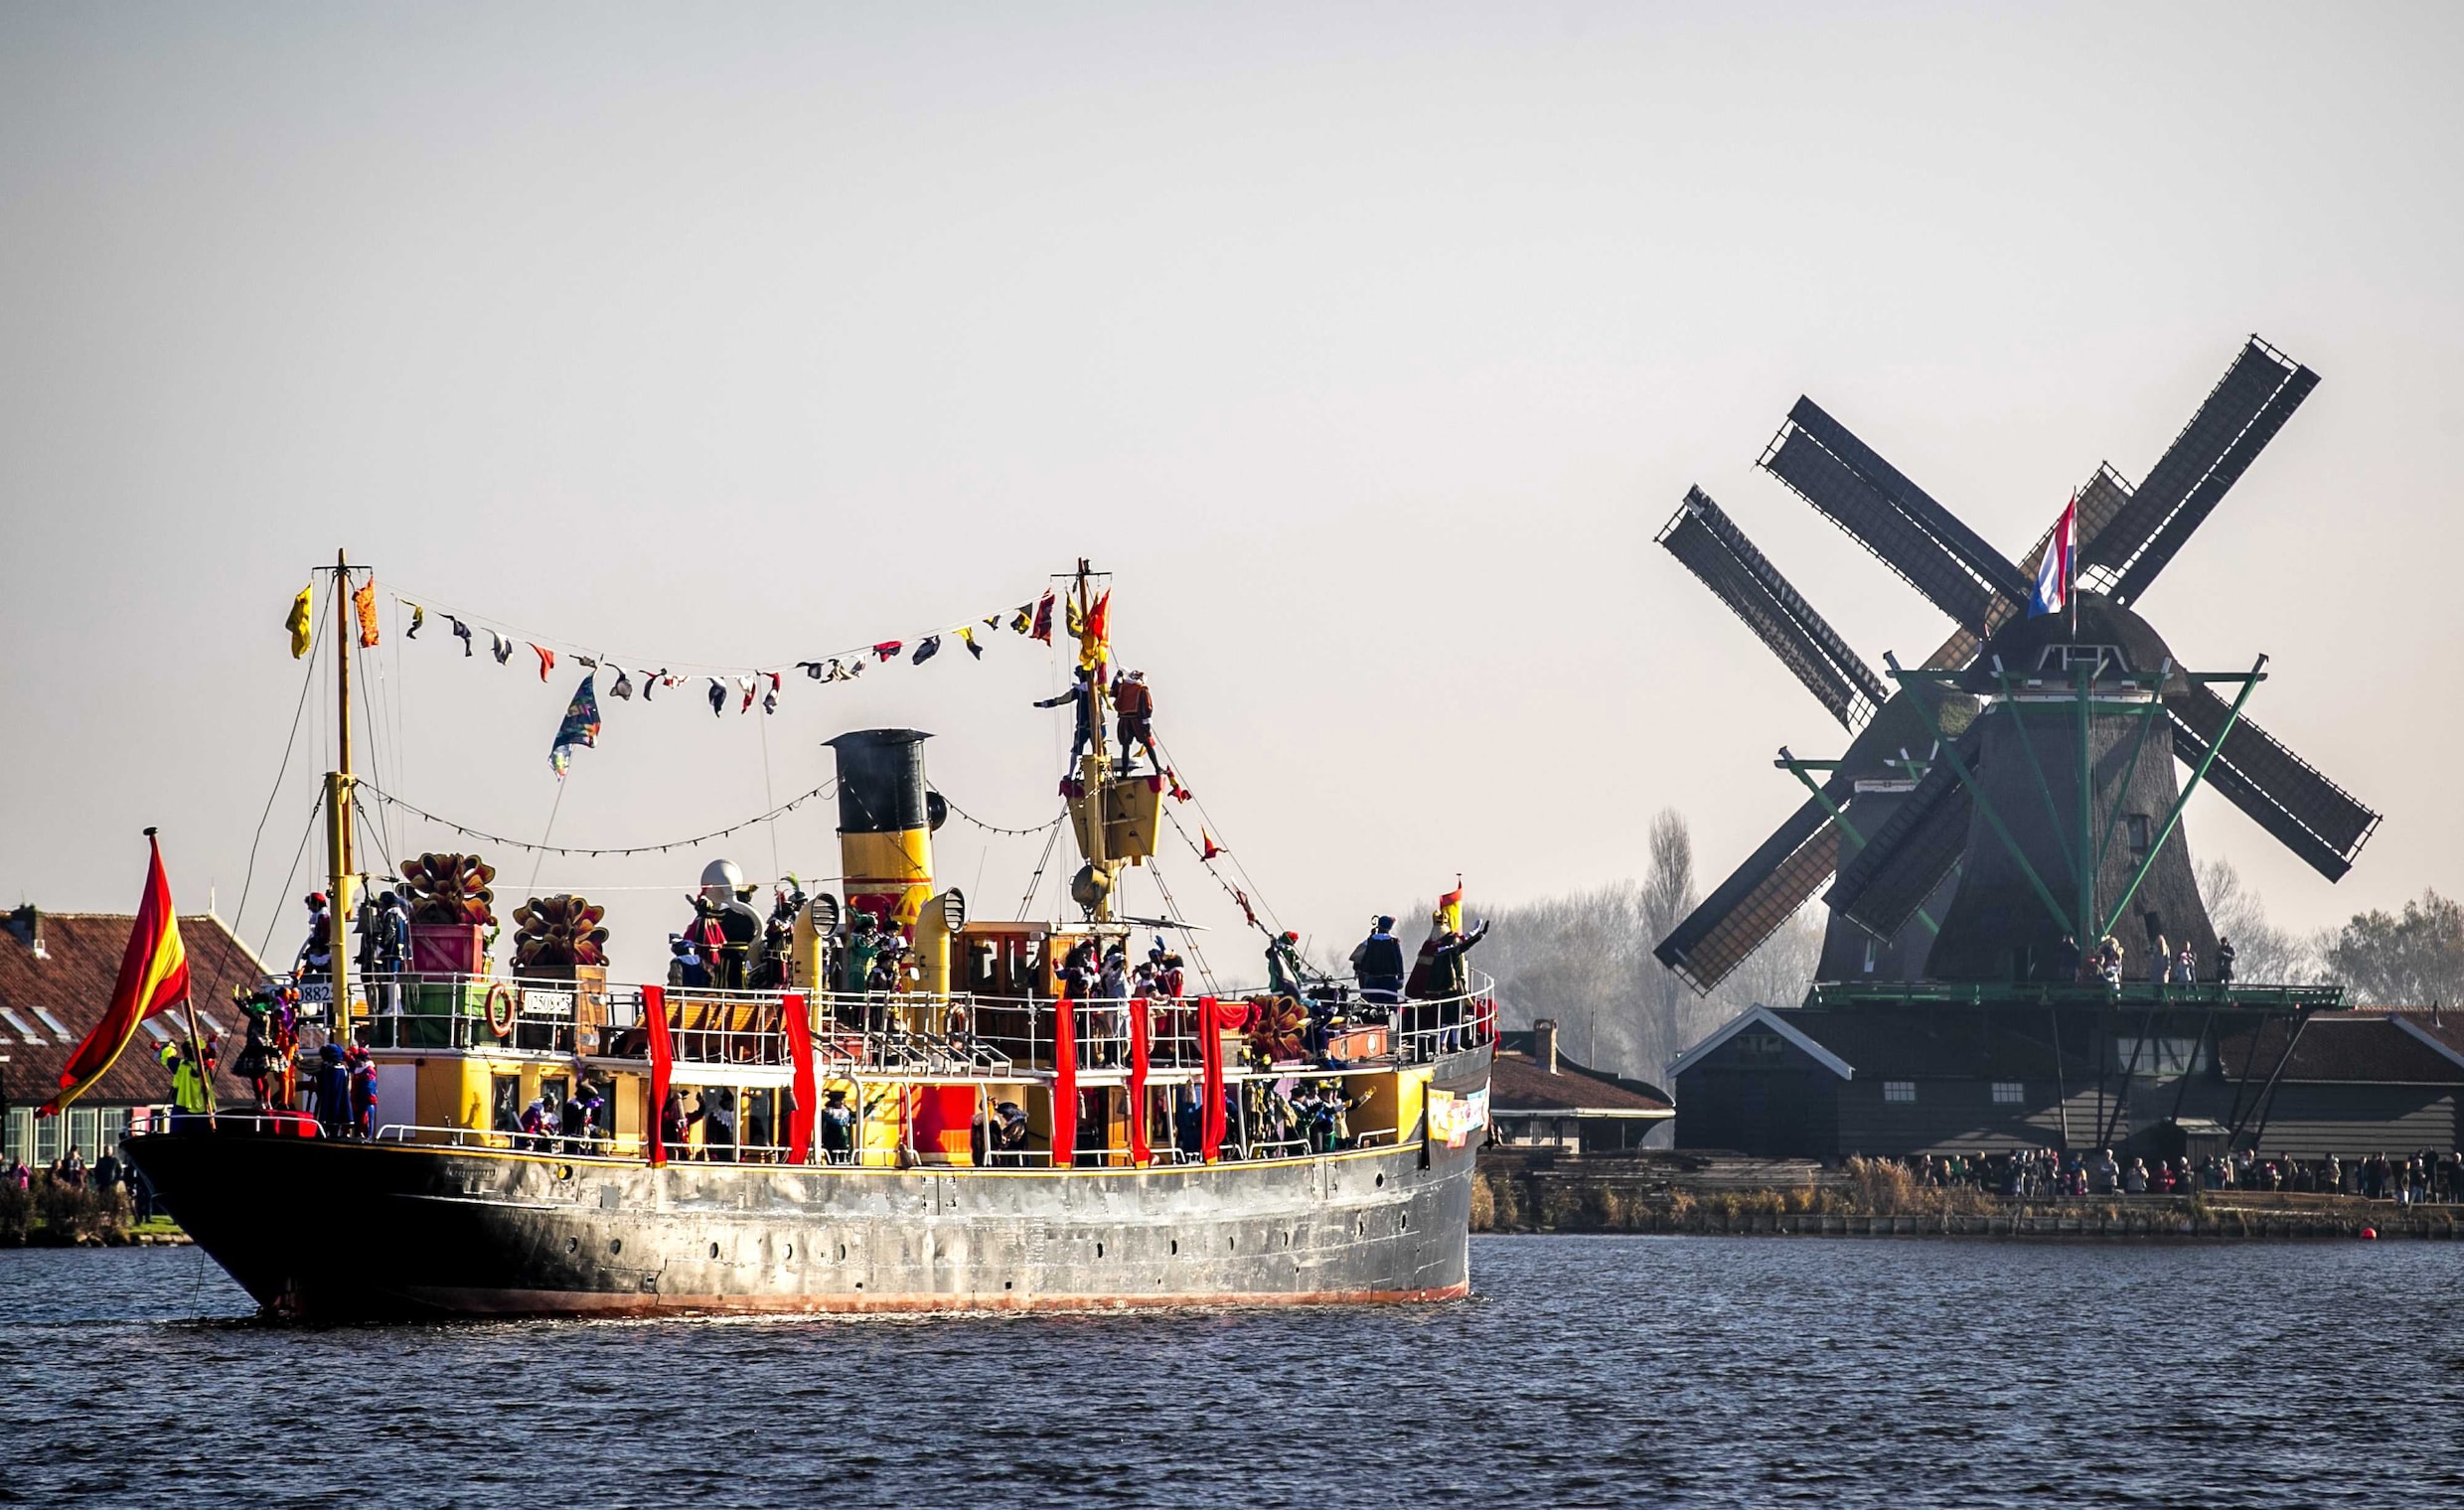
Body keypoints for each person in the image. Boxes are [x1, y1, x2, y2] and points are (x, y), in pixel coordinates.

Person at [1033, 666, 1100, 769]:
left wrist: (1045, 704)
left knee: (1079, 750)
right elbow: (1061, 700)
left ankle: (1072, 774)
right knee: (1093, 749)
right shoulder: (1094, 689)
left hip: (1087, 725)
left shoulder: (1082, 691)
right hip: (1091, 725)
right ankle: (1075, 773)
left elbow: (1061, 700)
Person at [1111, 670, 1158, 774]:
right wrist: (1147, 724)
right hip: (1137, 721)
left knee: (1125, 747)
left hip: (1124, 721)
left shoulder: (1123, 687)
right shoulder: (1142, 690)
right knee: (1148, 744)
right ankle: (1157, 768)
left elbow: (1113, 692)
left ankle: (1124, 772)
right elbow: (1147, 707)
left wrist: (1116, 678)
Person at [1350, 916, 1406, 1004]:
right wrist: (1400, 979)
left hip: (1373, 980)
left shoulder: (1371, 940)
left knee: (1373, 1005)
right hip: (1389, 981)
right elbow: (1399, 960)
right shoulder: (1393, 941)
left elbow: (1365, 958)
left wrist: (1361, 972)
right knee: (1390, 1005)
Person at [310, 1043, 352, 1137]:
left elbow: (316, 1074)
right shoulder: (344, 1070)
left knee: (324, 1120)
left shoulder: (327, 1069)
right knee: (335, 1123)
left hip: (326, 1101)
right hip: (340, 1101)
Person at [1266, 930, 1312, 1004]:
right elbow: (1294, 968)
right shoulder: (1287, 952)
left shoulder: (1275, 951)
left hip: (1276, 985)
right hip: (1286, 985)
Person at [296, 892, 333, 980]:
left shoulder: (323, 917)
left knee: (328, 975)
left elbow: (325, 936)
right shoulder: (320, 917)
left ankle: (298, 984)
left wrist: (313, 944)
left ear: (316, 904)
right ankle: (299, 981)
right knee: (309, 965)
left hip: (323, 951)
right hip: (318, 950)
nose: (309, 908)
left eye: (310, 905)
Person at [347, 1045, 378, 1138]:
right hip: (357, 1102)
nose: (355, 1061)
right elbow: (351, 1064)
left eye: (357, 1059)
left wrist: (370, 1097)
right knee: (357, 1123)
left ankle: (366, 1138)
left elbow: (369, 1087)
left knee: (365, 1124)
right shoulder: (358, 1069)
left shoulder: (368, 1071)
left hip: (365, 1103)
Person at [820, 1089, 856, 1164]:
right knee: (832, 1160)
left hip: (846, 1146)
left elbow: (858, 1116)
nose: (841, 1103)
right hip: (830, 1144)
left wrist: (872, 1105)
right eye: (839, 1101)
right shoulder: (825, 1114)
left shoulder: (847, 1113)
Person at [660, 1089, 690, 1163]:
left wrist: (702, 1104)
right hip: (669, 1148)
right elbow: (665, 1109)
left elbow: (699, 1114)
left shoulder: (685, 1119)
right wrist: (674, 1099)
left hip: (683, 1151)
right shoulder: (667, 1119)